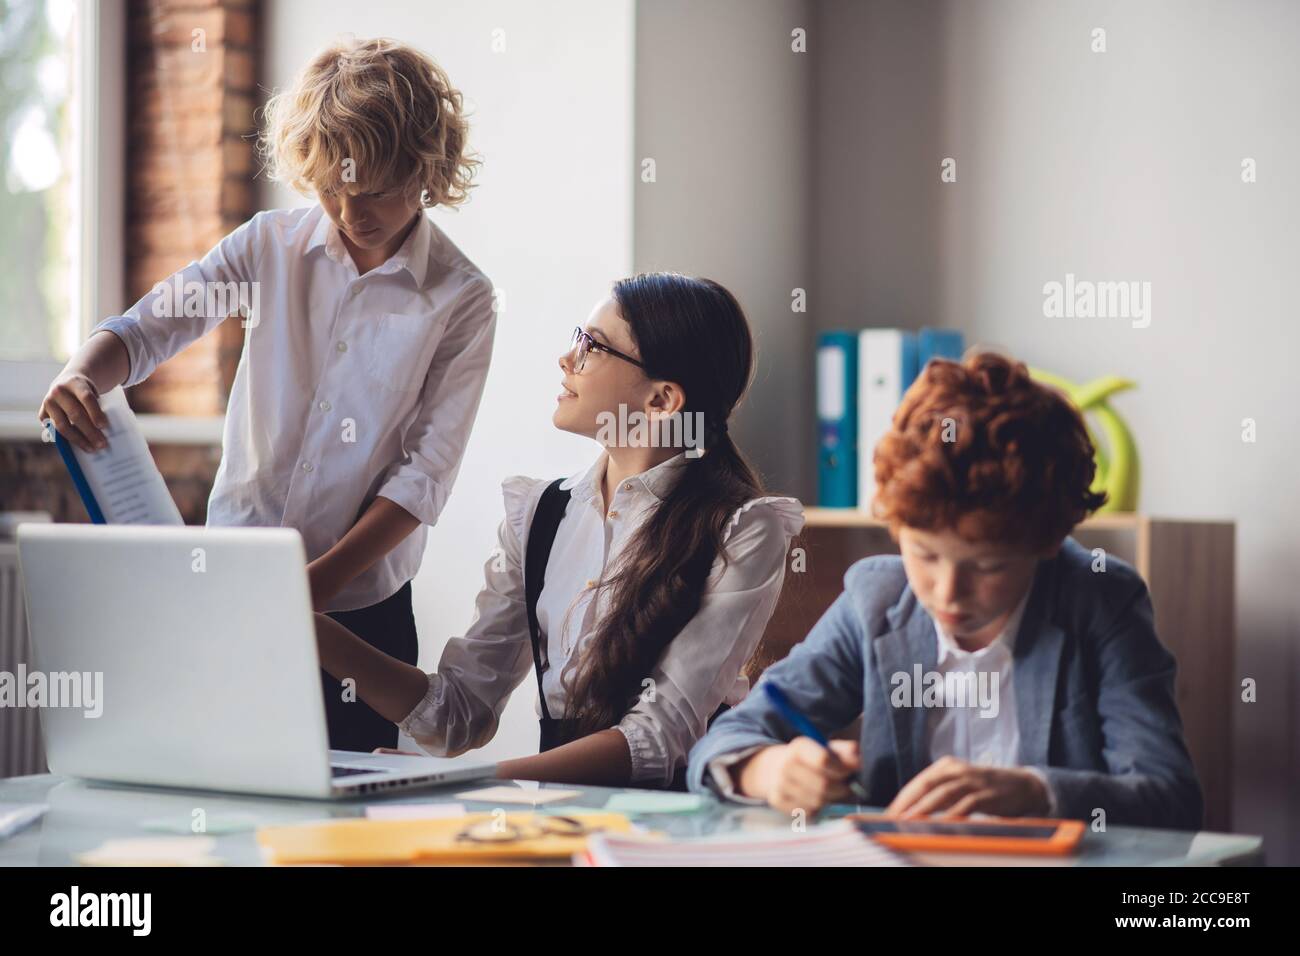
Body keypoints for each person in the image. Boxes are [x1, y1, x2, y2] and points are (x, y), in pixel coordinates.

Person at [37, 38, 494, 752]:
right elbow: (147, 328)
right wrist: (81, 374)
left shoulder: (462, 299)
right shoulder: (265, 247)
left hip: (362, 615)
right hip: (229, 583)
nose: (349, 210)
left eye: (372, 189)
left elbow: (423, 478)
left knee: (345, 825)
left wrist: (305, 589)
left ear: (427, 170)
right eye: (328, 188)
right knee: (222, 790)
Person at [314, 273, 804, 788]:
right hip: (560, 819)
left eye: (593, 347)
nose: (567, 359)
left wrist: (472, 779)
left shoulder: (743, 527)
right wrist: (307, 623)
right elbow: (457, 714)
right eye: (578, 336)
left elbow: (656, 740)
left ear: (661, 401)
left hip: (674, 826)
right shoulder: (539, 514)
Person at [688, 351, 1203, 829]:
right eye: (925, 555)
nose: (948, 592)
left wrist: (1036, 792)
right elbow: (725, 741)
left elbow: (1170, 797)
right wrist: (769, 767)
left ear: (1048, 541)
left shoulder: (1102, 602)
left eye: (988, 565)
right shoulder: (879, 599)